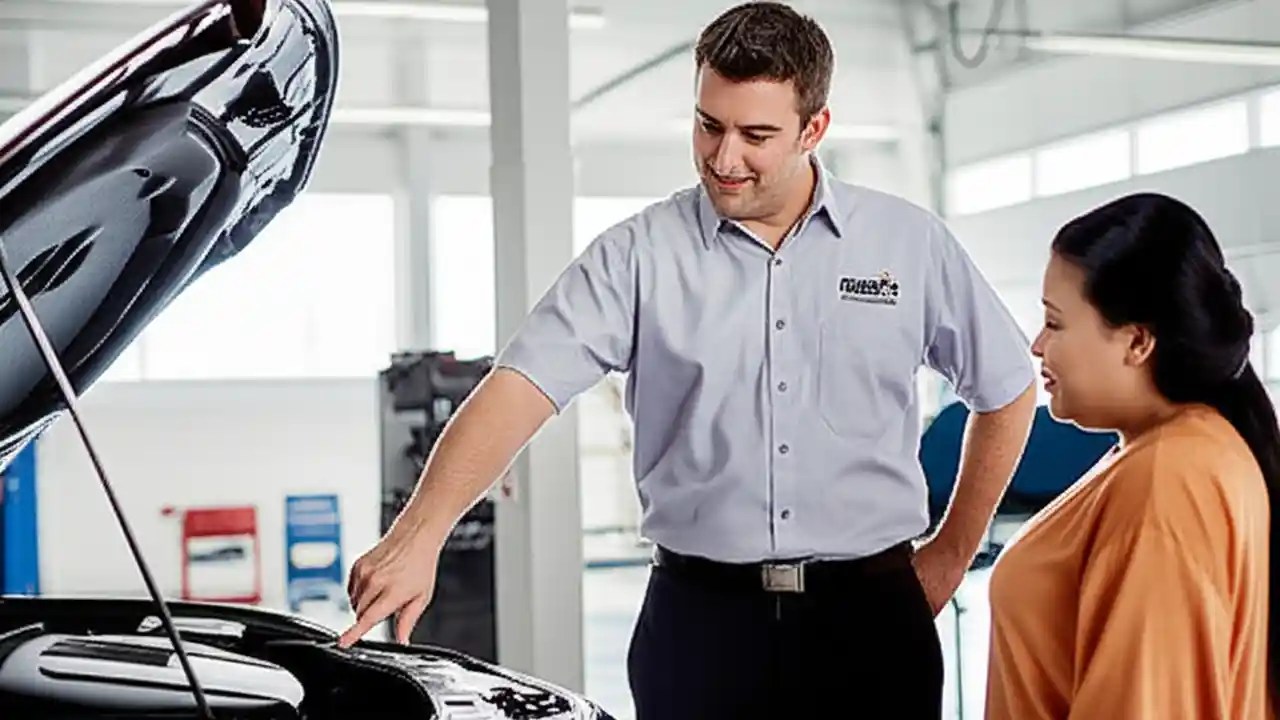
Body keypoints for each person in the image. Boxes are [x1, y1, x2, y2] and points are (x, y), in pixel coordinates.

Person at [343, 2, 1037, 717]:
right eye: (709, 125)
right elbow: (521, 384)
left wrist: (953, 552)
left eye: (756, 134)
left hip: (869, 620)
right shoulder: (639, 254)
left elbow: (1007, 387)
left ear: (814, 128)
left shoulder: (906, 244)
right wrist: (417, 534)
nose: (723, 157)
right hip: (700, 624)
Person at [984, 192, 1280, 720]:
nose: (1036, 345)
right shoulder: (1180, 451)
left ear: (1137, 341)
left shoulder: (1170, 478)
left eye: (1055, 323)